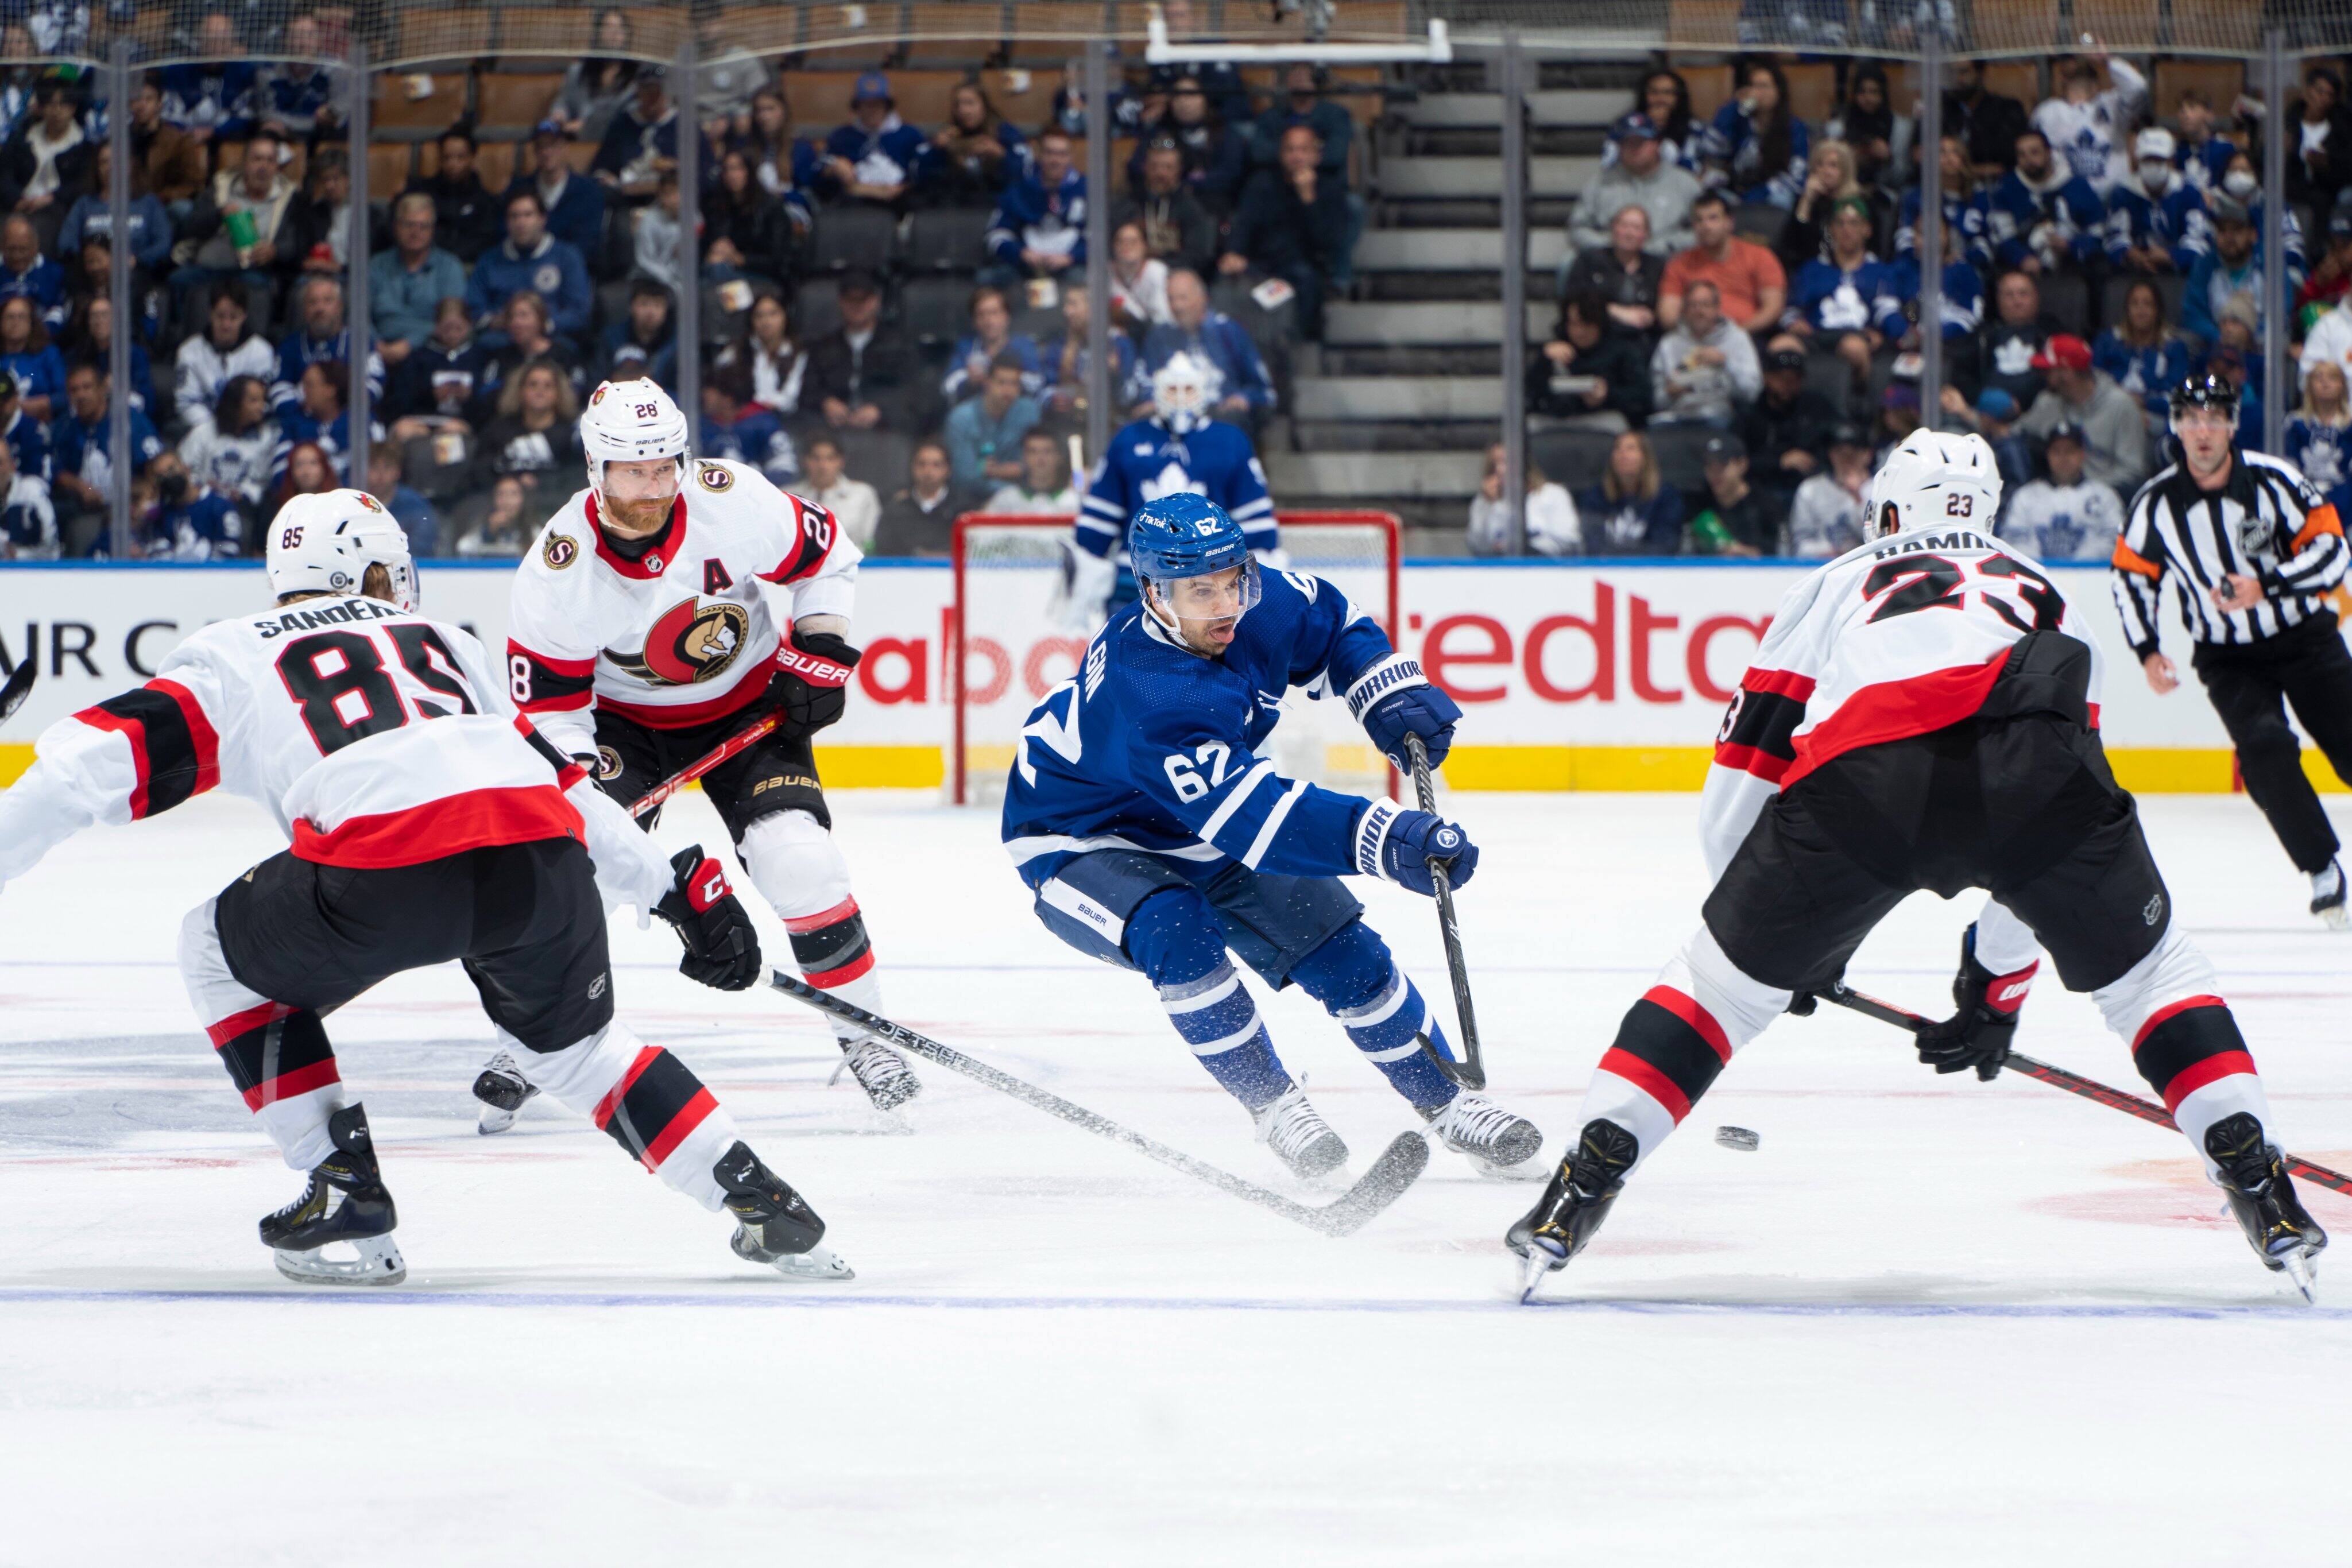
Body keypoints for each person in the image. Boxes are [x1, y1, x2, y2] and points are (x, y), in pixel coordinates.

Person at [1508, 427, 2328, 1302]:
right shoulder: (2046, 588)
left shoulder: (1835, 581)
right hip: (2037, 772)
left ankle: (1578, 1191)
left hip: (1867, 776)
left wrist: (1767, 944)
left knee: (1713, 990)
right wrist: (1992, 991)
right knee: (2153, 979)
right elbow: (2051, 802)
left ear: (1889, 509)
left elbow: (1741, 777)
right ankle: (2263, 1187)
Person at [0, 487, 850, 1286]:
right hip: (537, 863)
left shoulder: (232, 652)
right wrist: (671, 887)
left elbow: (77, 774)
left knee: (213, 951)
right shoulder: (448, 642)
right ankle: (761, 1196)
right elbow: (562, 782)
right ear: (377, 573)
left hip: (380, 870)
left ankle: (343, 1187)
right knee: (580, 1049)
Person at [1002, 491, 1544, 1181]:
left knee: (1341, 948)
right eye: (1200, 591)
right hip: (1077, 840)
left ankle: (1451, 1103)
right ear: (1150, 593)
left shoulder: (1252, 605)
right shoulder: (1151, 691)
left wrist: (1381, 687)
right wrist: (1387, 835)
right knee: (1177, 926)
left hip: (1194, 821)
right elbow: (1254, 819)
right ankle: (1275, 1105)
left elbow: (1332, 621)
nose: (1225, 604)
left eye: (1233, 579)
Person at [491, 379, 923, 1118]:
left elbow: (829, 558)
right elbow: (552, 715)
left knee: (801, 862)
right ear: (596, 469)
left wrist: (818, 645)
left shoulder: (730, 499)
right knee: (579, 873)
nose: (655, 488)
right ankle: (541, 1036)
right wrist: (593, 793)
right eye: (635, 471)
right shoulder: (558, 571)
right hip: (620, 728)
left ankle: (866, 1034)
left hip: (748, 707)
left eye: (666, 467)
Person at [2115, 373, 2352, 926]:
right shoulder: (2156, 505)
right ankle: (2322, 867)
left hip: (2304, 635)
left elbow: (2334, 552)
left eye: (2215, 418)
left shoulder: (2276, 482)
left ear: (2233, 424)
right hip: (2228, 656)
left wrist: (2266, 586)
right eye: (2192, 419)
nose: (2203, 431)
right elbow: (2130, 578)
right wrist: (2147, 648)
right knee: (2264, 749)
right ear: (2175, 426)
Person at [1071, 353, 1274, 622]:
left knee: (1202, 662)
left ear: (1203, 390)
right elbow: (1099, 521)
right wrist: (1083, 570)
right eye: (1172, 389)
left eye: (1188, 389)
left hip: (1206, 582)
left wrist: (1260, 578)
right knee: (1131, 660)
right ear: (1157, 390)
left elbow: (1257, 524)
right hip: (1135, 582)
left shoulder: (1230, 441)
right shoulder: (1128, 440)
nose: (1180, 397)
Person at [1220, 125, 1351, 339]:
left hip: (1304, 267)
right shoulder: (1262, 184)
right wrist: (1234, 252)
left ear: (1316, 156)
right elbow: (1244, 222)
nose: (1296, 156)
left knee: (1306, 281)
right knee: (1226, 280)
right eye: (1290, 150)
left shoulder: (1331, 189)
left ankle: (1296, 346)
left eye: (1303, 150)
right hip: (1262, 264)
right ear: (1281, 155)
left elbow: (1328, 243)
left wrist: (1308, 200)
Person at [1782, 197, 1901, 396]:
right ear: (1832, 230)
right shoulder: (1813, 268)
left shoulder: (1880, 272)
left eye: (1854, 223)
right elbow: (1791, 310)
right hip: (1815, 336)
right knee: (1781, 346)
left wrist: (1885, 335)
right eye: (1840, 223)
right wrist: (1794, 322)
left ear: (1867, 230)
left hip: (1856, 336)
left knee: (1854, 348)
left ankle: (1855, 409)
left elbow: (1888, 313)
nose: (1847, 229)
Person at [2015, 334, 2149, 495]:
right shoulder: (2048, 402)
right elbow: (2015, 433)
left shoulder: (2121, 405)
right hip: (2052, 498)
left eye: (2048, 370)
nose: (2044, 376)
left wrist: (2085, 491)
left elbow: (2133, 470)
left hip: (2104, 500)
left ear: (2067, 372)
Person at [52, 358, 162, 555]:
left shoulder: (129, 419)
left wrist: (138, 498)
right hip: (83, 505)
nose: (81, 395)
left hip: (128, 506)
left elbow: (153, 466)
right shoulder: (65, 426)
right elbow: (56, 469)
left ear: (103, 389)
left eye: (87, 387)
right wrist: (80, 486)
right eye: (74, 390)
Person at [1136, 269, 1275, 423]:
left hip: (1221, 417)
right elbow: (1145, 380)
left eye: (1183, 298)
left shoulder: (1228, 331)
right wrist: (1150, 400)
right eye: (1171, 299)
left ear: (1203, 299)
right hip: (1170, 418)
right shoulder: (1159, 335)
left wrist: (1244, 398)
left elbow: (1262, 389)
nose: (1177, 306)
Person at [466, 190, 592, 347]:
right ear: (507, 222)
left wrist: (540, 324)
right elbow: (473, 309)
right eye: (514, 216)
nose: (521, 223)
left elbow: (579, 312)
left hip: (552, 339)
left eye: (528, 215)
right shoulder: (489, 260)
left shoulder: (567, 257)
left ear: (542, 219)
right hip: (501, 339)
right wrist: (496, 321)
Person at [1566, 112, 1700, 260]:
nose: (1635, 149)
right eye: (1628, 143)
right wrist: (1613, 245)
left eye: (1641, 142)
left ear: (1657, 144)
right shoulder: (1600, 183)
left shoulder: (1684, 183)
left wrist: (1666, 245)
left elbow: (1702, 230)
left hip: (1667, 260)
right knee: (1569, 262)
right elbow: (1577, 229)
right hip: (1610, 260)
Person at [806, 269, 924, 433]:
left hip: (885, 424)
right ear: (841, 302)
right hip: (832, 425)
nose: (857, 305)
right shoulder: (823, 346)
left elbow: (912, 387)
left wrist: (880, 408)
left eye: (863, 299)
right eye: (851, 300)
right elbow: (808, 386)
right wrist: (826, 402)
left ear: (876, 301)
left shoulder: (899, 344)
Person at [1659, 191, 1785, 334]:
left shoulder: (1761, 256)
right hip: (1694, 338)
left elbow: (1773, 308)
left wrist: (1735, 335)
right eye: (1699, 220)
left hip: (1749, 336)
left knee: (1785, 353)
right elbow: (1668, 314)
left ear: (1729, 223)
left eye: (1713, 218)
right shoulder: (1679, 264)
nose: (1706, 226)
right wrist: (1695, 333)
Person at [1986, 128, 2107, 276]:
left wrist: (2071, 247)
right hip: (2023, 268)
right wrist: (2022, 257)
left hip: (2073, 265)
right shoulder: (2006, 188)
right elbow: (2001, 236)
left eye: (2034, 152)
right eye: (2022, 155)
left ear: (2049, 153)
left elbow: (2098, 232)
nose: (2028, 160)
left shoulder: (2077, 186)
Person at [475, 357, 586, 515]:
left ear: (559, 393)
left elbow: (576, 479)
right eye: (533, 385)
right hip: (499, 508)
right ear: (520, 391)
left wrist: (539, 484)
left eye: (548, 386)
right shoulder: (498, 429)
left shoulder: (571, 435)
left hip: (553, 511)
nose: (540, 391)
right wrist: (510, 482)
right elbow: (480, 471)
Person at [1999, 420, 2123, 561]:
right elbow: (2012, 540)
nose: (2064, 458)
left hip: (2091, 577)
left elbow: (2115, 540)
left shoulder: (2105, 495)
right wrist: (2044, 567)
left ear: (2082, 454)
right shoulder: (2025, 496)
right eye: (2057, 451)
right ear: (2048, 455)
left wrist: (2077, 565)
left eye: (2070, 451)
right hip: (2036, 577)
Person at [2033, 48, 2148, 196]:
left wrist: (2108, 60)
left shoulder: (2111, 104)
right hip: (2067, 201)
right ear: (2063, 83)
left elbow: (2138, 88)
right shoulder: (2048, 112)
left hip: (2114, 199)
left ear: (2096, 85)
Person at [1127, 78, 1249, 219]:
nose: (1184, 102)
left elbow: (1231, 172)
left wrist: (1192, 184)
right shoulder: (1162, 135)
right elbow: (1137, 165)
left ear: (1205, 99)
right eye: (1178, 96)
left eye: (1191, 95)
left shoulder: (1223, 133)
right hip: (1165, 207)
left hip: (1214, 206)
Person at [1528, 291, 1649, 431]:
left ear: (1599, 323)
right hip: (1558, 419)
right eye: (1574, 324)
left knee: (1617, 423)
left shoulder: (1622, 350)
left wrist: (1608, 395)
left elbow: (1642, 398)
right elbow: (1530, 394)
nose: (1580, 332)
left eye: (1586, 324)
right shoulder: (1555, 350)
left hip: (1601, 418)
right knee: (1530, 424)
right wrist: (1543, 361)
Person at [1744, 340, 1842, 509]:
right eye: (1782, 378)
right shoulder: (1752, 413)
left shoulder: (1816, 406)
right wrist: (1780, 461)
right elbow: (1742, 461)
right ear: (1767, 377)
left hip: (1811, 485)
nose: (1788, 385)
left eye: (1794, 379)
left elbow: (1838, 435)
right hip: (1765, 488)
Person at [2094, 277, 2195, 438]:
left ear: (2158, 311)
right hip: (2109, 412)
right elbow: (2094, 385)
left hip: (2152, 417)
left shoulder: (2174, 348)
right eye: (2135, 304)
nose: (2141, 310)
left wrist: (2143, 402)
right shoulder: (2108, 342)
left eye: (2148, 304)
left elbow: (2179, 399)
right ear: (2127, 309)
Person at [1650, 280, 1760, 427]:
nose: (1699, 311)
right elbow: (1657, 401)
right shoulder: (1669, 344)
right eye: (1693, 306)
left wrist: (1725, 363)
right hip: (1678, 417)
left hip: (1721, 416)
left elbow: (1752, 391)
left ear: (1717, 309)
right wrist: (1670, 393)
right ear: (1684, 310)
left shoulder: (1737, 338)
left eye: (1705, 305)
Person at [1702, 60, 1809, 210]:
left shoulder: (1795, 127)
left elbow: (1796, 176)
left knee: (1781, 199)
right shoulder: (1738, 117)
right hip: (1735, 190)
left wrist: (1755, 196)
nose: (1756, 92)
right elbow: (1714, 149)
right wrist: (1734, 107)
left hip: (1771, 195)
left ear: (1779, 91)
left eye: (1763, 86)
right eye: (1752, 85)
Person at [270, 275, 382, 418]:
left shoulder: (361, 343)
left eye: (327, 301)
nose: (320, 308)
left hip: (351, 423)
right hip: (301, 424)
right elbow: (278, 390)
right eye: (313, 302)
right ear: (305, 309)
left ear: (340, 307)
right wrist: (308, 409)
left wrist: (337, 409)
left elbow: (375, 384)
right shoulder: (289, 347)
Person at [2103, 127, 2210, 277]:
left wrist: (2171, 257)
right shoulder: (2123, 192)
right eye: (2148, 160)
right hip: (2133, 273)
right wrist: (2130, 254)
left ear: (2171, 162)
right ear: (2138, 161)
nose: (2153, 166)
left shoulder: (2189, 193)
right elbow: (2113, 237)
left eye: (2159, 160)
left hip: (2180, 276)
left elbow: (2199, 242)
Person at [985, 127, 1086, 282]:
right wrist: (1021, 253)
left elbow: (1099, 237)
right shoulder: (1019, 190)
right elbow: (995, 234)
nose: (1055, 160)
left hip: (1071, 267)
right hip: (1025, 266)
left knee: (1087, 282)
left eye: (1062, 154)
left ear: (1071, 157)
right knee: (988, 278)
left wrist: (1071, 257)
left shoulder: (1087, 189)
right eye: (1049, 153)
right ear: (1039, 154)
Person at [815, 72, 928, 207]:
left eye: (877, 104)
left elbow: (923, 170)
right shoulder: (842, 136)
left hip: (900, 200)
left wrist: (903, 188)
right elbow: (819, 168)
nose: (872, 110)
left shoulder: (909, 134)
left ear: (887, 106)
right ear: (857, 106)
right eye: (866, 105)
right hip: (855, 202)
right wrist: (834, 166)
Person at [57, 143, 171, 275]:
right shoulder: (84, 204)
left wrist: (137, 259)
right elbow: (66, 242)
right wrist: (91, 260)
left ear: (129, 166)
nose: (110, 167)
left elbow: (163, 243)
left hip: (137, 273)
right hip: (91, 276)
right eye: (104, 162)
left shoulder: (149, 203)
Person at [508, 120, 609, 266]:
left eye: (553, 145)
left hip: (569, 271)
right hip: (523, 266)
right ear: (535, 152)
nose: (547, 152)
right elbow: (505, 232)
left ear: (565, 148)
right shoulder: (518, 189)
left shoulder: (588, 192)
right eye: (541, 147)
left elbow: (588, 243)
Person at [1117, 138, 1219, 281]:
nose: (1161, 173)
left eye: (1168, 167)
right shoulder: (1128, 204)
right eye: (1155, 167)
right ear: (1145, 167)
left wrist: (1158, 269)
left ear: (1179, 170)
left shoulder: (1193, 208)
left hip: (1176, 277)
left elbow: (1199, 254)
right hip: (1130, 274)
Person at [403, 129, 503, 266]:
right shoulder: (419, 191)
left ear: (472, 158)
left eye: (460, 158)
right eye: (447, 158)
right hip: (422, 262)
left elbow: (485, 240)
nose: (453, 164)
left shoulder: (487, 202)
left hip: (467, 266)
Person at [1575, 429, 1684, 554]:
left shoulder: (1666, 497)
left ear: (1645, 457)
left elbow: (1665, 544)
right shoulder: (1596, 496)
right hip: (1606, 569)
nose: (1623, 454)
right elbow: (1593, 543)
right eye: (1617, 449)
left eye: (1631, 448)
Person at [181, 371, 273, 518]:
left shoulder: (266, 437)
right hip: (201, 506)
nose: (262, 406)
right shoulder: (203, 432)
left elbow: (263, 482)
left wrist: (244, 494)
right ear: (235, 403)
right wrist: (204, 491)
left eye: (263, 400)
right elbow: (184, 470)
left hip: (243, 511)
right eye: (254, 400)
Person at [1894, 134, 1993, 271]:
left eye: (1955, 152)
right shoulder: (1916, 197)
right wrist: (1926, 260)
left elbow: (1986, 244)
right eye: (1942, 152)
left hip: (1966, 269)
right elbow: (1904, 240)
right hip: (1921, 268)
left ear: (1964, 159)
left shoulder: (1979, 197)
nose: (1949, 158)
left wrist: (1962, 259)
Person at [1042, 281, 1136, 424]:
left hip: (1108, 422)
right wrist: (1054, 398)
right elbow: (1044, 389)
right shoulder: (1059, 345)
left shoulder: (1120, 344)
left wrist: (1115, 376)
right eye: (1067, 305)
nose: (1067, 311)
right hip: (1068, 422)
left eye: (1073, 304)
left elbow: (1130, 395)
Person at [945, 354, 1040, 493]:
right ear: (987, 382)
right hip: (972, 500)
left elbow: (1037, 465)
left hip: (1024, 501)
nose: (1008, 391)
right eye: (1001, 383)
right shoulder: (961, 419)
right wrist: (1012, 487)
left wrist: (996, 471)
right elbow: (963, 478)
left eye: (1014, 384)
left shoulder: (1029, 412)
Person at [1564, 203, 1665, 335]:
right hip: (1599, 336)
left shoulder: (1657, 266)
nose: (1629, 233)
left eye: (1636, 228)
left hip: (1645, 337)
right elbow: (1575, 300)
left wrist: (1652, 316)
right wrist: (1614, 311)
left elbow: (1666, 307)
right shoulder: (1590, 260)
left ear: (1646, 234)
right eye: (1624, 226)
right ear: (1613, 228)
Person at [1969, 268, 2060, 411]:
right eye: (2009, 295)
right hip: (1986, 414)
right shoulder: (1983, 336)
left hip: (2042, 412)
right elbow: (1966, 378)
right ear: (1998, 300)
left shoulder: (2053, 333)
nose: (2017, 301)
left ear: (2036, 297)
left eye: (2023, 294)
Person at [926, 80, 1029, 206]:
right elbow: (924, 180)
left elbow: (1025, 174)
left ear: (984, 105)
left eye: (970, 103)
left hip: (997, 204)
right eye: (958, 105)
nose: (963, 110)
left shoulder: (1006, 134)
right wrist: (937, 151)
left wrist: (1001, 155)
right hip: (954, 207)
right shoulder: (946, 135)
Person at [703, 149, 794, 288]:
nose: (731, 175)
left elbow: (779, 259)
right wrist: (713, 251)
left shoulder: (771, 207)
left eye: (737, 168)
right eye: (727, 169)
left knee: (716, 275)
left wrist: (740, 259)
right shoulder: (716, 205)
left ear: (749, 172)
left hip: (764, 278)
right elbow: (709, 241)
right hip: (728, 272)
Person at [1781, 421, 1874, 558]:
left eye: (1852, 454)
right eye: (1840, 453)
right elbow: (1799, 545)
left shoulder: (1878, 489)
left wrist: (1857, 496)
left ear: (1866, 455)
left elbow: (1877, 539)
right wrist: (1829, 551)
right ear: (1831, 455)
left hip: (1863, 567)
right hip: (1819, 566)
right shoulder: (1810, 490)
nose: (1846, 460)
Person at [0, 80, 90, 220]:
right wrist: (17, 199)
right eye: (51, 104)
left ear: (73, 108)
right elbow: (5, 174)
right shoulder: (23, 138)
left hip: (57, 211)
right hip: (20, 206)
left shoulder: (82, 146)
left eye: (63, 104)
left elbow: (80, 186)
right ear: (42, 108)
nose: (57, 111)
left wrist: (51, 198)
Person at [1467, 443, 1579, 556]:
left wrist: (1530, 548)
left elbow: (1569, 540)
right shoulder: (1484, 502)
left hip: (1545, 567)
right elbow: (1477, 546)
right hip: (1501, 568)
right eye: (1494, 465)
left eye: (1505, 462)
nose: (1499, 470)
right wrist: (1488, 505)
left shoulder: (1553, 494)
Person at [697, 360, 796, 486]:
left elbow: (785, 468)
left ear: (728, 399)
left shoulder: (764, 424)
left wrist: (755, 487)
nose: (703, 396)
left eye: (710, 391)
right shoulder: (705, 427)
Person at [593, 67, 683, 204]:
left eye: (657, 91)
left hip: (671, 204)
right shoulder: (623, 124)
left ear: (666, 94)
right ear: (638, 93)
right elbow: (601, 168)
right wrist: (607, 178)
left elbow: (704, 171)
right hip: (626, 200)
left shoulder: (682, 124)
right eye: (647, 91)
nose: (652, 98)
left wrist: (676, 168)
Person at [943, 285, 1044, 405]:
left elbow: (1038, 383)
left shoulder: (1023, 345)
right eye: (981, 315)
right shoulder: (966, 346)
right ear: (974, 321)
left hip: (1015, 411)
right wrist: (968, 379)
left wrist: (1008, 378)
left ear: (1007, 317)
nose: (988, 321)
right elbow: (948, 386)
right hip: (976, 411)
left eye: (994, 313)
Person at [1684, 431, 1779, 556]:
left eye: (1722, 466)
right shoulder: (1699, 507)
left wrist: (1744, 553)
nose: (1714, 473)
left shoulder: (1766, 507)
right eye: (1709, 466)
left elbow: (1779, 553)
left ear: (1742, 465)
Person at [1249, 64, 1352, 176]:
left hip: (1324, 181)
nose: (1300, 79)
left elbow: (1336, 154)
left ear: (1317, 81)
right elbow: (1259, 152)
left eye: (1305, 75)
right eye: (1295, 73)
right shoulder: (1272, 116)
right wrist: (1296, 158)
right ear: (1286, 80)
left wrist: (1295, 158)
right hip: (1280, 182)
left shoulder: (1336, 115)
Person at [141, 448, 243, 560]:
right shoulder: (161, 515)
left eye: (171, 469)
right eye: (162, 476)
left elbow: (228, 548)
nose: (168, 478)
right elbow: (159, 554)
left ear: (186, 469)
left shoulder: (221, 506)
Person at [1823, 61, 1910, 192]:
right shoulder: (1837, 128)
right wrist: (1849, 159)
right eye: (1862, 92)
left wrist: (1888, 158)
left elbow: (1903, 177)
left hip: (1884, 194)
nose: (1868, 98)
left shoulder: (1900, 127)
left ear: (1883, 95)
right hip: (1844, 192)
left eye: (1874, 92)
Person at [127, 71, 205, 214]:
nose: (141, 105)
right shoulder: (121, 140)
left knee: (183, 209)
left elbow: (193, 184)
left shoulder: (179, 140)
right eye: (136, 99)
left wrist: (162, 197)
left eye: (148, 99)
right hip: (128, 205)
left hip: (164, 206)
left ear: (159, 104)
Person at [270, 359, 356, 490]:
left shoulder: (357, 424)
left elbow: (371, 470)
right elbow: (279, 473)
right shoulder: (293, 424)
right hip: (303, 500)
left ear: (330, 390)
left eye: (309, 385)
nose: (303, 391)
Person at [1945, 57, 2032, 181]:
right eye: (1951, 73)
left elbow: (2009, 161)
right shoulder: (1941, 110)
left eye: (1964, 72)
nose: (1957, 79)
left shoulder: (2006, 109)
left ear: (1980, 73)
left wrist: (1963, 170)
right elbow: (1920, 153)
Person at [2285, 358, 2352, 519]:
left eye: (2332, 378)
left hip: (2346, 506)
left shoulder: (2350, 426)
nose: (2325, 383)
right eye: (2318, 378)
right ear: (2309, 386)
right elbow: (2289, 470)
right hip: (2303, 504)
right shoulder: (2295, 424)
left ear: (2342, 386)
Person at [872, 439, 960, 555]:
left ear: (948, 470)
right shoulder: (895, 510)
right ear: (912, 468)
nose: (928, 471)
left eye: (936, 465)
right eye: (922, 464)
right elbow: (883, 549)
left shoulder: (963, 508)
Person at [795, 433, 880, 548]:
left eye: (830, 459)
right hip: (803, 565)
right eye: (816, 458)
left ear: (841, 461)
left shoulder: (863, 494)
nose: (823, 466)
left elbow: (869, 540)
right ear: (806, 461)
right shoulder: (789, 496)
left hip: (856, 563)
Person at [2285, 67, 2352, 211]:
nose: (2324, 99)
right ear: (2308, 91)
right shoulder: (2290, 123)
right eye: (2320, 92)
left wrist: (2327, 164)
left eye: (2330, 95)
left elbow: (2347, 169)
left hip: (2327, 190)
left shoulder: (2341, 129)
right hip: (2293, 187)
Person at [599, 278, 677, 389]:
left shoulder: (677, 345)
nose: (651, 312)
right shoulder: (611, 338)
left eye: (657, 305)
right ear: (631, 307)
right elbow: (599, 382)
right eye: (644, 304)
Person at [984, 428, 1078, 516]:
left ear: (1059, 457)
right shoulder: (1005, 500)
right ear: (1023, 457)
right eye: (1033, 452)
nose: (1040, 459)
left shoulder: (1074, 502)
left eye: (1047, 451)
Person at [0, 211, 67, 333]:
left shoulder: (53, 272)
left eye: (22, 249)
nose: (16, 256)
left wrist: (37, 336)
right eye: (11, 249)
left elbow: (58, 311)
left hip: (40, 345)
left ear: (35, 246)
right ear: (2, 246)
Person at [0, 292, 63, 421]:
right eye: (10, 317)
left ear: (31, 322)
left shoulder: (49, 354)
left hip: (39, 424)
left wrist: (37, 405)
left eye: (21, 317)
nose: (15, 322)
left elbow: (64, 396)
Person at [1107, 219, 1173, 334]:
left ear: (1144, 246)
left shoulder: (1156, 271)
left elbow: (1164, 319)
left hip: (1153, 333)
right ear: (1114, 246)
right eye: (1121, 242)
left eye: (1133, 242)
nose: (1127, 246)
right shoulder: (1104, 273)